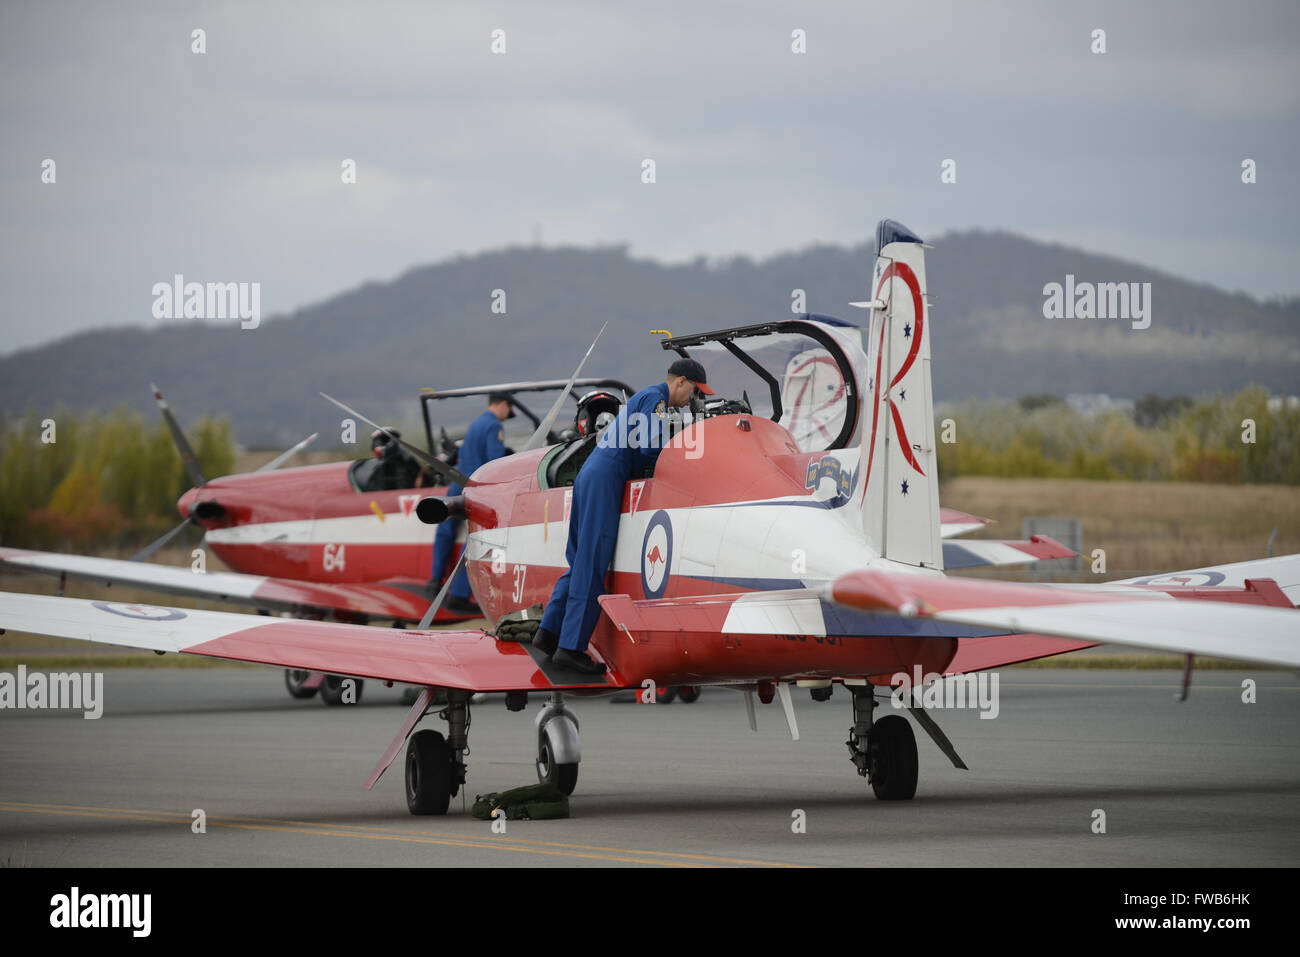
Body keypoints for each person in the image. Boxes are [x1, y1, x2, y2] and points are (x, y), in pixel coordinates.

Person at [533, 359, 713, 674]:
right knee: (594, 559)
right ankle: (571, 648)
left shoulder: (646, 397)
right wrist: (678, 455)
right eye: (695, 392)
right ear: (681, 382)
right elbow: (649, 446)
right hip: (606, 477)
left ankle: (548, 633)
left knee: (579, 558)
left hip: (593, 471)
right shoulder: (656, 400)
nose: (692, 400)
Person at [430, 392, 515, 612]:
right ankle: (458, 595)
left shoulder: (476, 423)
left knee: (445, 531)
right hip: (477, 486)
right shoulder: (494, 427)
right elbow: (497, 463)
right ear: (504, 405)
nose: (507, 416)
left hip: (458, 482)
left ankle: (434, 580)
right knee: (478, 539)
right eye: (508, 411)